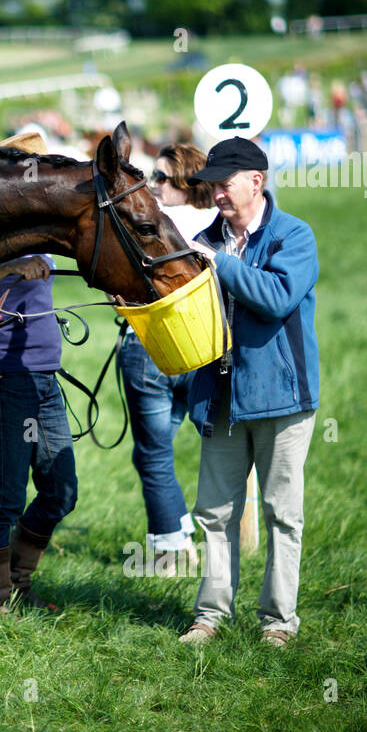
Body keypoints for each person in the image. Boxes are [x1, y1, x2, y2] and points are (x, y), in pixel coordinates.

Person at [177, 137, 319, 648]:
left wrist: (218, 263)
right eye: (211, 185)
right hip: (220, 398)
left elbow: (278, 298)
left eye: (224, 183)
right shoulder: (203, 239)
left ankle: (278, 623)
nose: (215, 193)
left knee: (283, 513)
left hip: (283, 399)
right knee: (214, 513)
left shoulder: (294, 236)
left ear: (255, 181)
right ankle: (210, 616)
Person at [0, 131, 77, 611]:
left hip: (45, 375)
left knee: (60, 491)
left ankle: (19, 581)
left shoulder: (39, 227)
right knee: (5, 494)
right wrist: (18, 266)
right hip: (6, 373)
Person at [117, 143, 215, 572]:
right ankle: (201, 539)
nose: (152, 186)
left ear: (185, 184)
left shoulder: (151, 226)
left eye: (160, 178)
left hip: (151, 346)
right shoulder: (219, 225)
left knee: (153, 455)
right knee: (218, 449)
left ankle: (172, 551)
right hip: (206, 346)